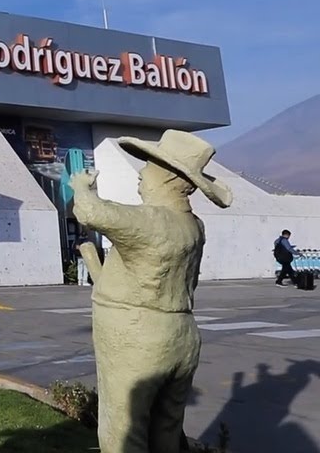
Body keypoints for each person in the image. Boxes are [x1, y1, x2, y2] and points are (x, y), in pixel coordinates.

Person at [70, 130, 232, 453]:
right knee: (166, 431)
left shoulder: (150, 221)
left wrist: (80, 187)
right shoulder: (194, 228)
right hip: (182, 335)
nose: (142, 172)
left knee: (123, 433)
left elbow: (89, 212)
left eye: (151, 166)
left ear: (171, 178)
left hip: (137, 339)